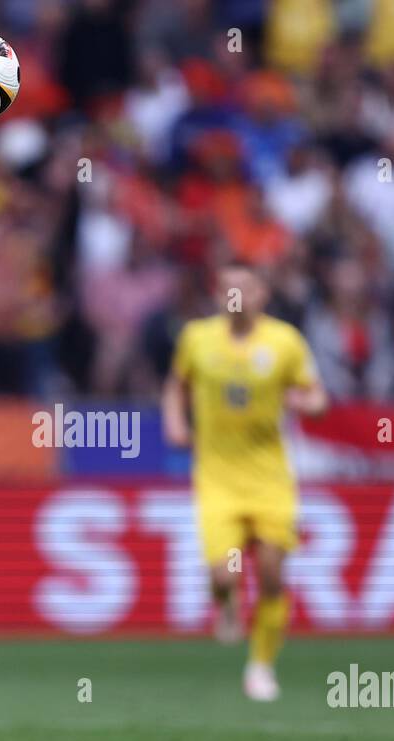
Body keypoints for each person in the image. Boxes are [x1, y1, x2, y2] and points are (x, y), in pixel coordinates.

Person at [161, 262, 327, 701]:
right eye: (228, 288)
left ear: (262, 294)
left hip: (270, 478)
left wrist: (304, 402)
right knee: (224, 574)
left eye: (245, 288)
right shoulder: (197, 338)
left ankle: (261, 666)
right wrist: (175, 422)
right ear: (218, 295)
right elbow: (175, 386)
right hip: (217, 477)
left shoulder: (284, 342)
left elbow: (317, 395)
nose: (236, 296)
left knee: (272, 573)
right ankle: (228, 602)